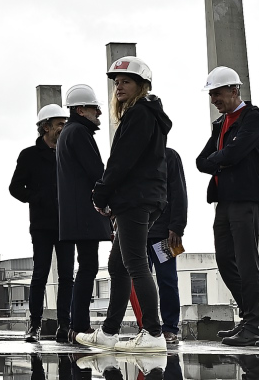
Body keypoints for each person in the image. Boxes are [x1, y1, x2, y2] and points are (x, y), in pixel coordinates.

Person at [78, 57, 170, 353]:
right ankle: (108, 332)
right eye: (116, 82)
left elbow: (122, 160)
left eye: (126, 81)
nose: (118, 87)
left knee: (135, 264)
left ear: (142, 86)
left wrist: (101, 194)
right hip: (143, 198)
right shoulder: (145, 115)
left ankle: (154, 333)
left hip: (136, 199)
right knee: (118, 266)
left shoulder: (140, 115)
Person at [195, 66, 259, 347]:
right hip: (224, 200)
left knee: (247, 261)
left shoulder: (253, 119)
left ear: (234, 90)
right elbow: (201, 160)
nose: (214, 99)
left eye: (218, 93)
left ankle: (254, 325)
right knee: (225, 259)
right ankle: (248, 317)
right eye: (211, 95)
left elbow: (236, 152)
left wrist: (223, 158)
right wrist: (225, 158)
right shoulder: (221, 124)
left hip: (247, 199)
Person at [100, 146, 188, 347]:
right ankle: (148, 327)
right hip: (135, 231)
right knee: (137, 278)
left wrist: (177, 227)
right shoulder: (129, 155)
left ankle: (170, 329)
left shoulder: (170, 156)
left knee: (168, 279)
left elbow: (179, 191)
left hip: (165, 233)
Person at [53, 85, 112, 344]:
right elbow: (96, 171)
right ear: (80, 109)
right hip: (85, 211)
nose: (98, 111)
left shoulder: (68, 133)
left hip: (73, 212)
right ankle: (80, 325)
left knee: (84, 268)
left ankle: (75, 324)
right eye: (93, 107)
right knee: (88, 267)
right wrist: (110, 199)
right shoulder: (79, 132)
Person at [10, 104, 67, 343]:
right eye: (59, 124)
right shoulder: (29, 155)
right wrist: (38, 198)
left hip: (67, 225)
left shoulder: (68, 152)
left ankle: (65, 325)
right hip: (42, 225)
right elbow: (15, 188)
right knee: (40, 275)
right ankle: (34, 325)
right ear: (46, 127)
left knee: (67, 277)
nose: (63, 128)